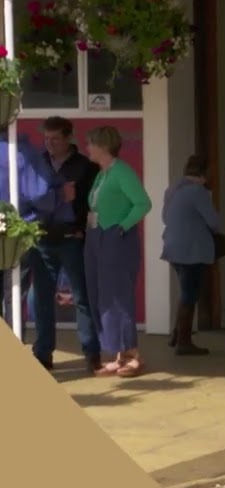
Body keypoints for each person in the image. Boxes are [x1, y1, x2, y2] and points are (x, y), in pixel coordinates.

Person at [27, 116, 102, 373]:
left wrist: (85, 231)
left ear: (69, 138)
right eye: (46, 138)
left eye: (55, 139)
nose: (50, 144)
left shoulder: (86, 166)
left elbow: (93, 203)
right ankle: (43, 353)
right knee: (41, 298)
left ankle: (91, 353)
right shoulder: (37, 163)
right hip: (41, 239)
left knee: (82, 297)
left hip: (72, 238)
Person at [84, 126, 151, 378]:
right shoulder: (103, 174)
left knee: (117, 296)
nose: (88, 148)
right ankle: (118, 354)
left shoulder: (122, 171)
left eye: (91, 144)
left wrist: (122, 227)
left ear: (103, 146)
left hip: (115, 238)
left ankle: (133, 354)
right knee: (100, 295)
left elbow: (143, 203)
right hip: (96, 237)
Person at [160, 154, 221, 356]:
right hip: (192, 250)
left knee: (186, 291)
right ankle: (184, 341)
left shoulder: (173, 189)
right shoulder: (198, 191)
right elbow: (214, 222)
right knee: (190, 293)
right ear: (204, 172)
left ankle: (178, 333)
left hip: (173, 247)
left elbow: (165, 217)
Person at [0, 131, 59, 338]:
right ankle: (10, 351)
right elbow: (39, 194)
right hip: (17, 230)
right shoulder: (21, 151)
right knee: (14, 293)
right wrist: (56, 198)